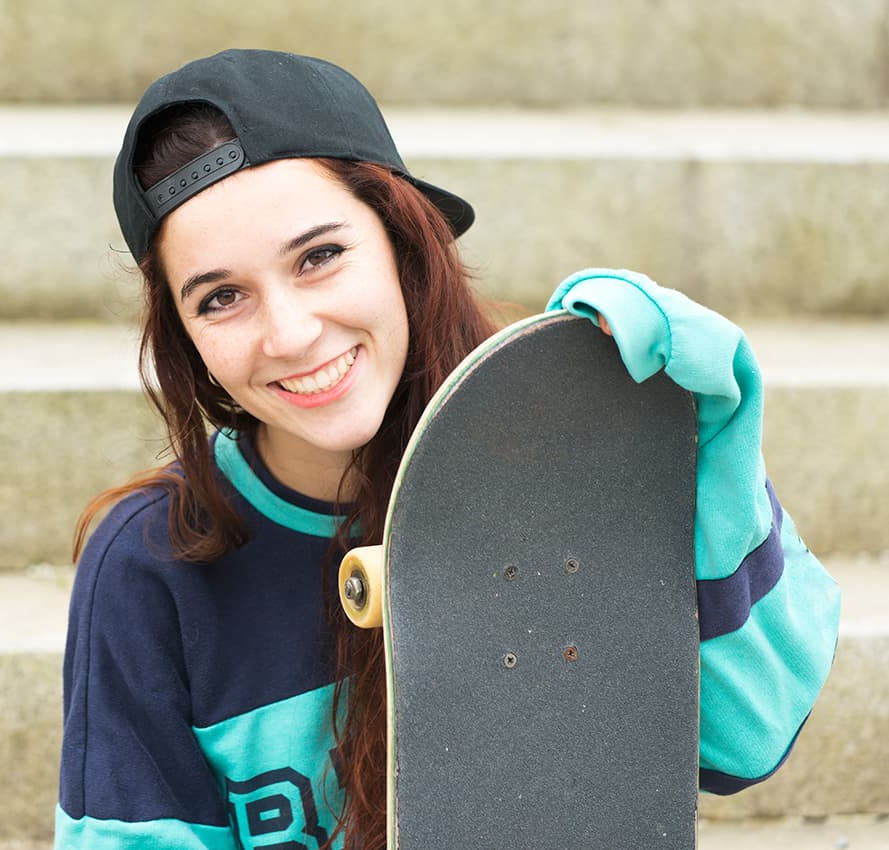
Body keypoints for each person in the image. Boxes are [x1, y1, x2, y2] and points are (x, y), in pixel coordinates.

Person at [54, 49, 841, 850]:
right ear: (184, 338)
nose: (288, 334)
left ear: (403, 243)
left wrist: (705, 443)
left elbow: (744, 743)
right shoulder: (149, 564)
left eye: (319, 257)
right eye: (221, 297)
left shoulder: (556, 471)